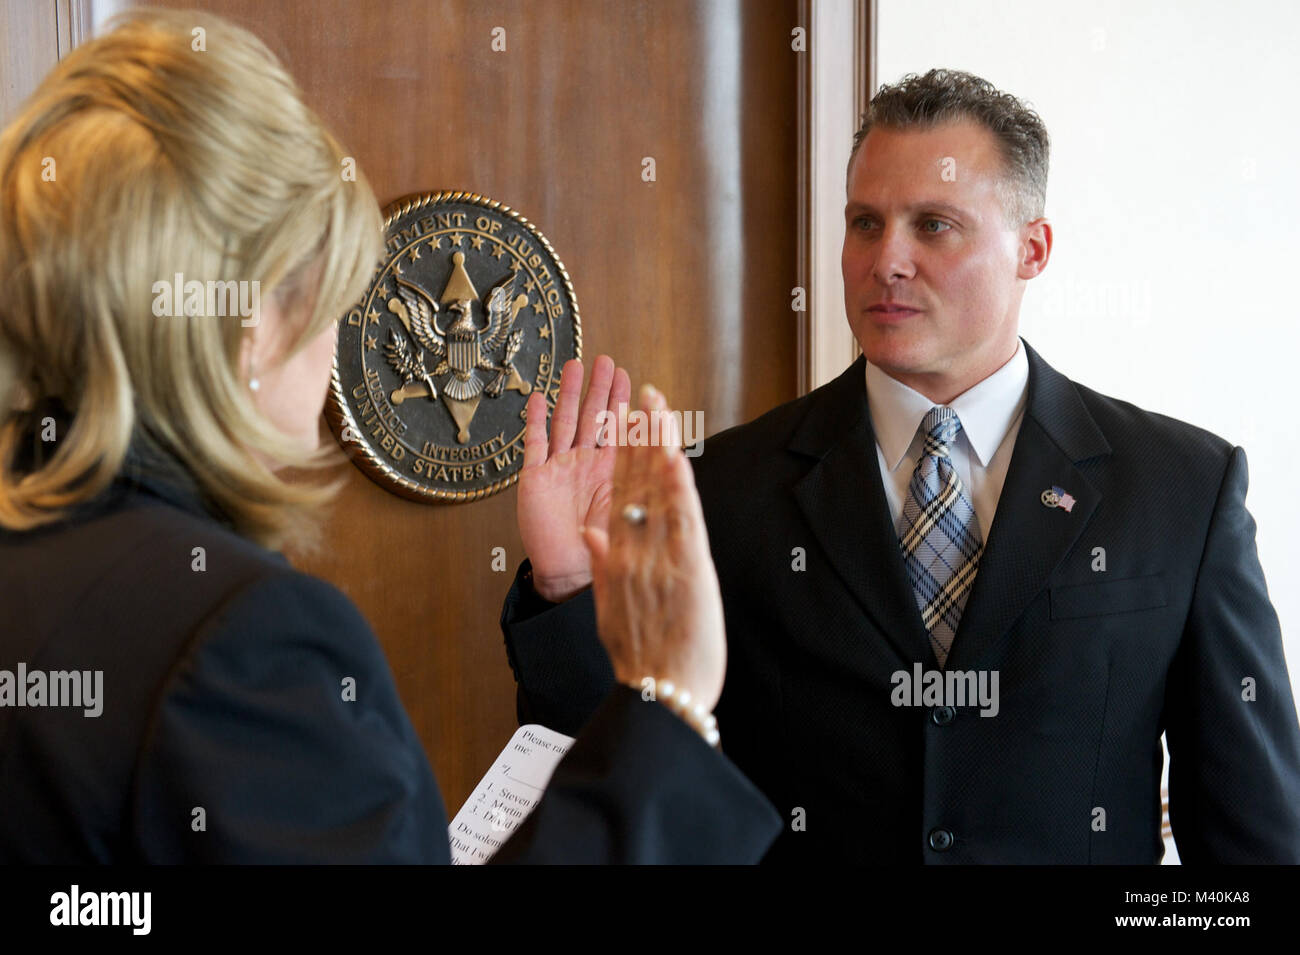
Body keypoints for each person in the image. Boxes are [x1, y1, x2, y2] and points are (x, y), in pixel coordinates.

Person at [0, 9, 779, 864]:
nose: (338, 351)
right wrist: (670, 707)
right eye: (334, 299)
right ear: (252, 320)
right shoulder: (243, 641)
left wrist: (569, 596)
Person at [502, 68, 1300, 863]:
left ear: (1033, 247)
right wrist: (569, 587)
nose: (888, 260)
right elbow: (616, 796)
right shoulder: (720, 487)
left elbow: (1253, 844)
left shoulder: (1181, 489)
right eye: (865, 223)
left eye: (934, 225)